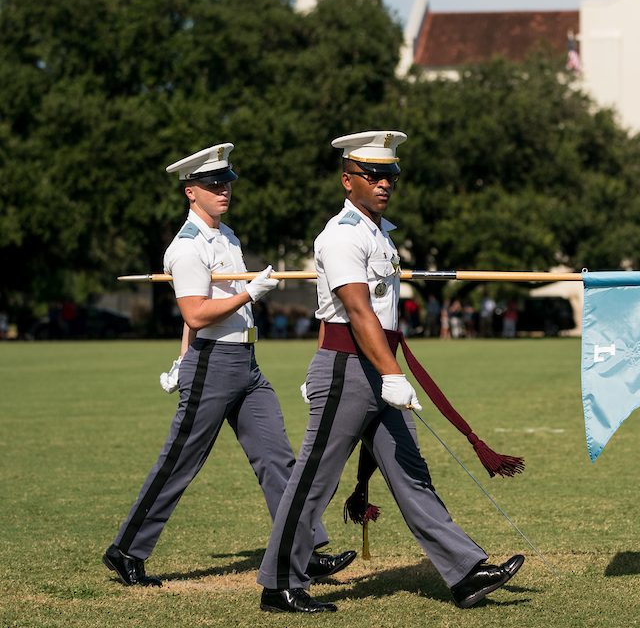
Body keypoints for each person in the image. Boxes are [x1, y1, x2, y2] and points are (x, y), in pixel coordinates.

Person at [256, 131, 522, 613]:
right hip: (351, 370)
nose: (384, 183)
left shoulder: (378, 233)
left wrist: (388, 374)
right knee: (314, 481)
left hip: (375, 368)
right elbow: (356, 311)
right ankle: (279, 585)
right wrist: (391, 374)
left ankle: (464, 573)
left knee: (411, 474)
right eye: (372, 175)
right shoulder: (342, 235)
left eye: (390, 176)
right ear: (347, 180)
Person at [104, 143, 352, 589]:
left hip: (246, 364)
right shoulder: (187, 247)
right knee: (180, 462)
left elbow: (197, 313)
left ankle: (302, 550)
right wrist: (248, 294)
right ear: (190, 192)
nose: (223, 190)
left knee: (278, 459)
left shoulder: (226, 237)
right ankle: (125, 551)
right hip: (214, 365)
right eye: (212, 184)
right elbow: (195, 313)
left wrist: (182, 354)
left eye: (226, 183)